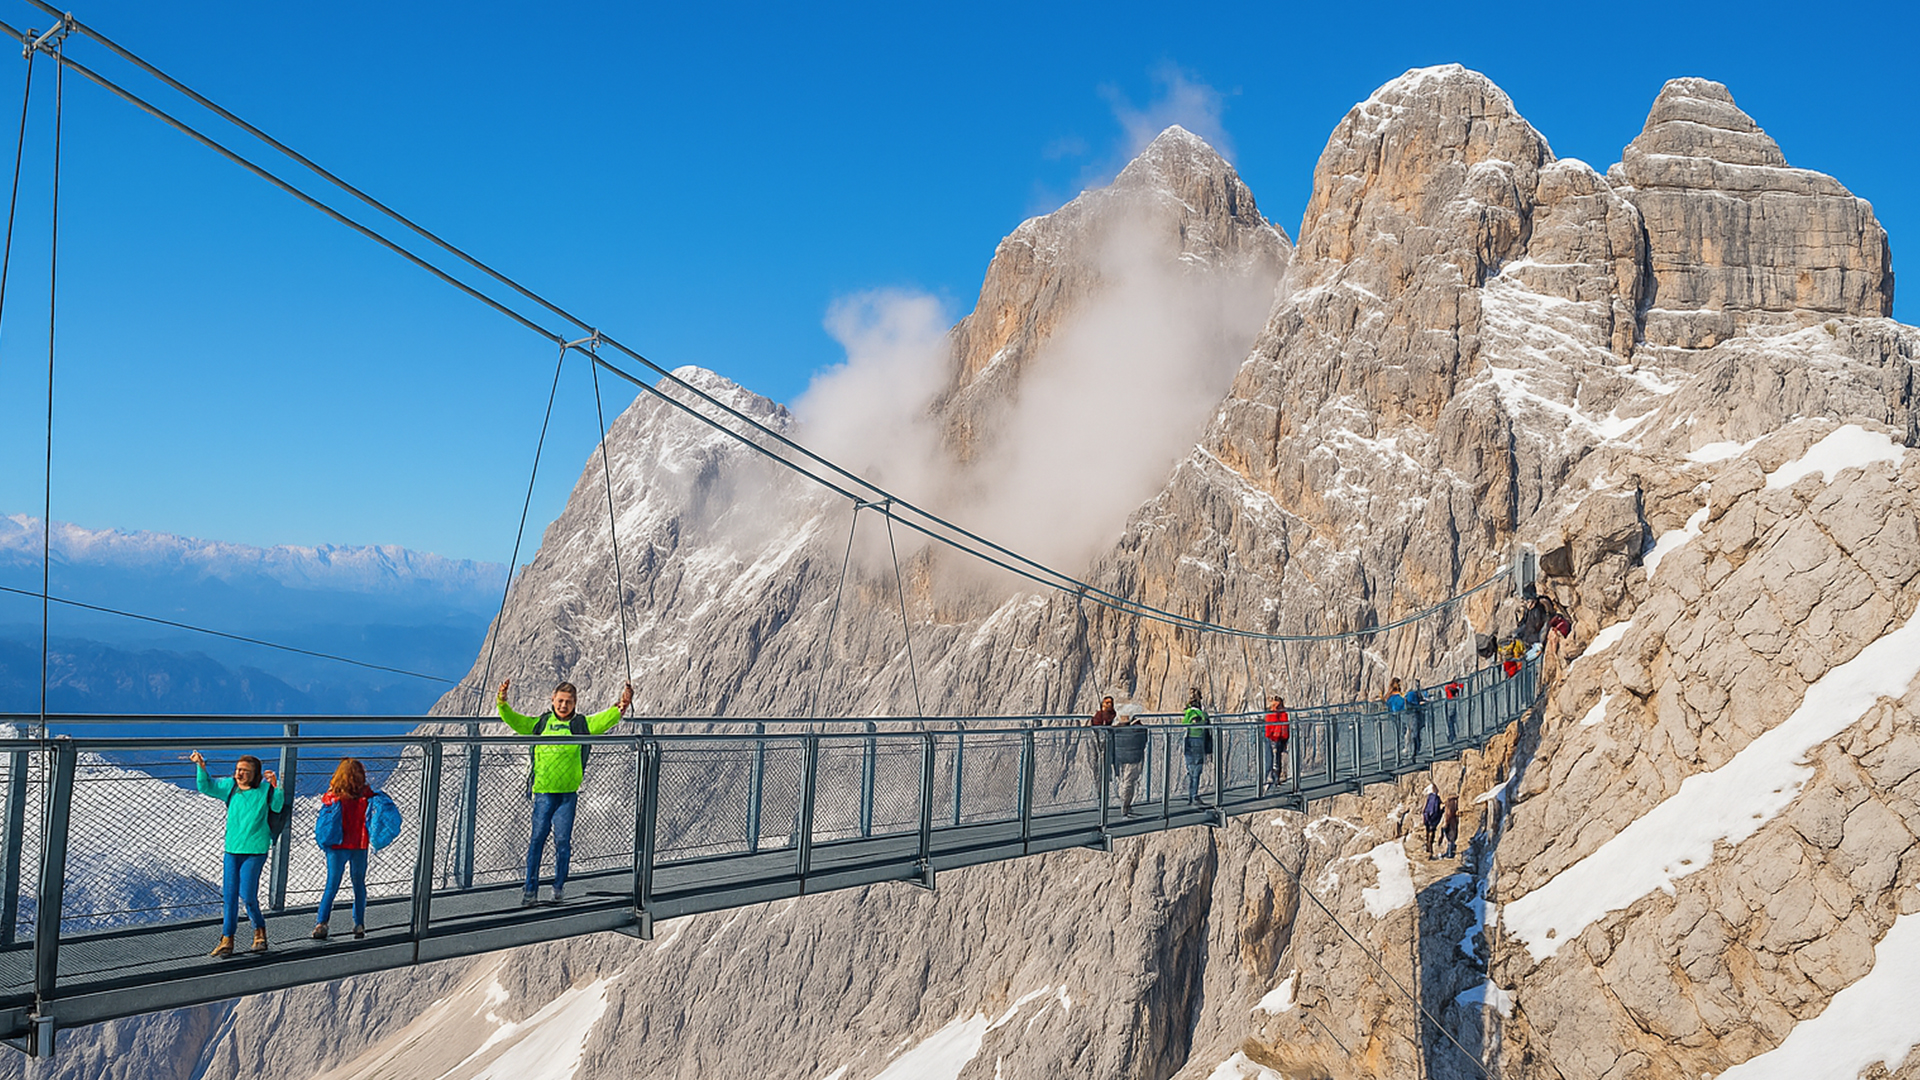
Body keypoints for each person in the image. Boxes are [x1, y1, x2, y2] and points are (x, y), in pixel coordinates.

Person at [498, 677, 634, 906]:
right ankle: (530, 890)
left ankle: (558, 888)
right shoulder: (540, 724)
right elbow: (515, 721)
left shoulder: (581, 725)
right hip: (544, 792)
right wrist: (502, 700)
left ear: (575, 703)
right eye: (560, 701)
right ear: (553, 700)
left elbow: (606, 719)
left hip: (567, 794)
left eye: (568, 702)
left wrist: (623, 703)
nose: (563, 705)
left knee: (562, 841)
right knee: (537, 840)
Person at [191, 750, 283, 957]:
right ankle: (227, 939)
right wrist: (201, 767)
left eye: (244, 771)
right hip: (232, 850)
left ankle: (259, 931)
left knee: (248, 895)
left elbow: (277, 807)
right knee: (230, 896)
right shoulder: (230, 787)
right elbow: (206, 786)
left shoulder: (264, 790)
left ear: (255, 774)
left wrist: (276, 787)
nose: (239, 774)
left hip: (255, 851)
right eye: (238, 769)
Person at [312, 757, 373, 941]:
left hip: (337, 845)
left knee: (332, 884)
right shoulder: (366, 795)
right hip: (359, 845)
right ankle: (359, 924)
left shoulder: (333, 796)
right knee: (359, 884)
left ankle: (321, 923)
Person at [1111, 712, 1148, 817]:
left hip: (1120, 758)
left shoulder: (1117, 731)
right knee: (1129, 782)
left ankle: (1125, 804)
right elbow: (1144, 740)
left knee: (1124, 781)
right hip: (1134, 758)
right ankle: (1125, 805)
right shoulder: (1137, 731)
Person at [1181, 688, 1210, 805]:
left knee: (1190, 768)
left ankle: (1189, 795)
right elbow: (1206, 722)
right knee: (1197, 769)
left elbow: (1184, 723)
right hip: (1198, 741)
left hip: (1188, 740)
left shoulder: (1188, 714)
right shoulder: (1202, 714)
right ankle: (1194, 795)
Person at [1263, 695, 1289, 786]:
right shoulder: (1271, 714)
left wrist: (1285, 738)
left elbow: (1285, 726)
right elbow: (1270, 726)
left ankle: (1277, 777)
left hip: (1281, 739)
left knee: (1279, 758)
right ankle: (1270, 777)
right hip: (1272, 738)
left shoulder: (1283, 714)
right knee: (1271, 758)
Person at [1421, 783, 1443, 860]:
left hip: (1427, 818)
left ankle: (1428, 849)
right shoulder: (1435, 798)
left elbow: (1426, 808)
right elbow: (1434, 809)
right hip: (1432, 819)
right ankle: (1430, 850)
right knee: (1431, 834)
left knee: (1428, 834)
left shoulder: (1429, 797)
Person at [1442, 795, 1460, 859]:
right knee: (1451, 837)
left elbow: (1448, 815)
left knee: (1449, 838)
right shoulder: (1455, 806)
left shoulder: (1449, 806)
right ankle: (1450, 852)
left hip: (1449, 822)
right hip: (1454, 822)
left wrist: (1446, 823)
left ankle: (1449, 852)